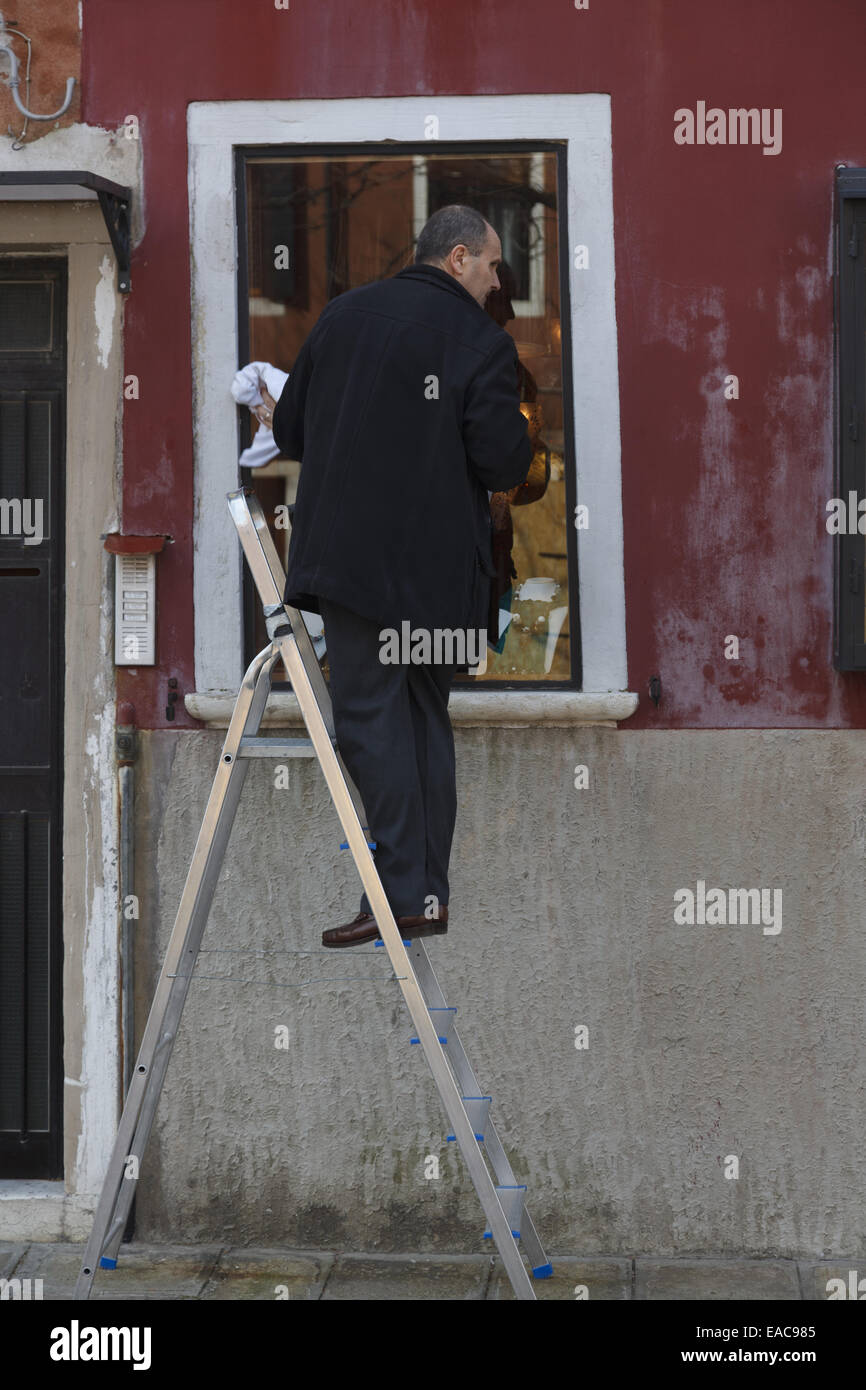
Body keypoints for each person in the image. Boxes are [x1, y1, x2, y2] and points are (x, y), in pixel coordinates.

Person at [271, 204, 532, 948]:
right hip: (440, 581)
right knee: (420, 723)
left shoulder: (343, 315)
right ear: (457, 258)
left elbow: (288, 430)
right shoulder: (482, 343)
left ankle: (396, 894)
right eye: (490, 266)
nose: (494, 282)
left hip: (355, 566)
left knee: (370, 720)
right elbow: (506, 464)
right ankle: (420, 893)